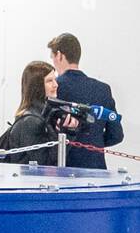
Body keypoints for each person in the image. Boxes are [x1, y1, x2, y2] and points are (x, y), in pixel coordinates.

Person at [47, 33, 123, 170]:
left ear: (59, 55)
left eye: (52, 58)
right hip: (97, 170)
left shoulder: (53, 89)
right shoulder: (103, 89)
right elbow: (116, 135)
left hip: (64, 171)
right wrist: (94, 143)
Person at [0, 61, 60, 166]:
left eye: (55, 79)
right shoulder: (31, 121)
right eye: (49, 81)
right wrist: (69, 134)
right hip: (31, 181)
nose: (56, 84)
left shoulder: (37, 116)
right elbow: (45, 164)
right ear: (37, 86)